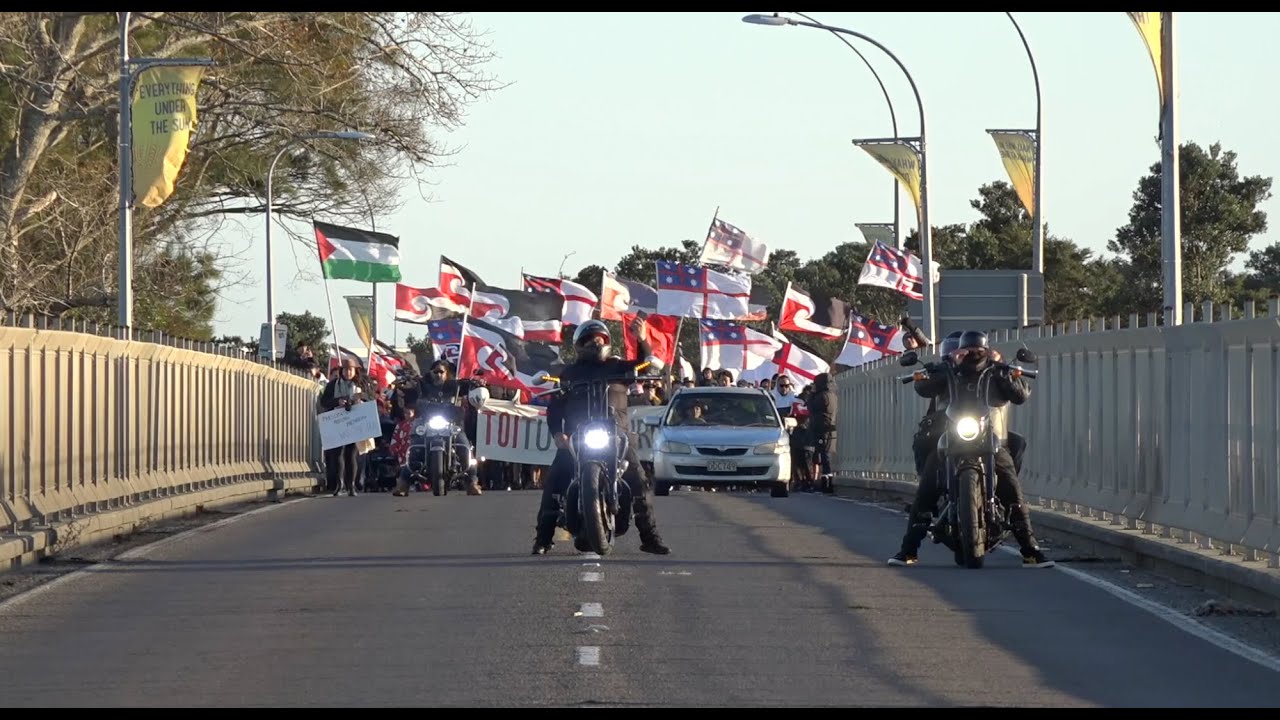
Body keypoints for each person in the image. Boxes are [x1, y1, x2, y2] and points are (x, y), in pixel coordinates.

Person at [888, 330, 1054, 568]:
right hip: (953, 436)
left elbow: (1020, 395)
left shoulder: (996, 371)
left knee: (1012, 489)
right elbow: (925, 388)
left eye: (979, 350)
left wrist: (1005, 370)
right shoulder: (949, 371)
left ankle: (1031, 551)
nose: (973, 355)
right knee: (926, 489)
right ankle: (908, 550)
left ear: (987, 350)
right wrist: (930, 372)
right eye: (967, 350)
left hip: (990, 438)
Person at [531, 318, 670, 556]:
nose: (595, 343)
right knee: (554, 481)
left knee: (639, 481)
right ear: (580, 345)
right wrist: (558, 433)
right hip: (579, 436)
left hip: (616, 435)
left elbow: (642, 365)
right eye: (589, 339)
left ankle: (650, 538)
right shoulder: (569, 374)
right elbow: (554, 407)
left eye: (600, 338)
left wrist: (642, 339)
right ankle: (543, 539)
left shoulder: (618, 367)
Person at [415, 360, 483, 496]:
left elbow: (469, 386)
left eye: (441, 372)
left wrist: (476, 383)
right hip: (428, 425)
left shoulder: (456, 385)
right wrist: (406, 383)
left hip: (453, 425)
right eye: (436, 372)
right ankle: (403, 482)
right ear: (431, 372)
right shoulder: (423, 384)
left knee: (465, 448)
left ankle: (472, 483)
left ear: (447, 373)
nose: (438, 375)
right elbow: (411, 390)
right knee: (414, 447)